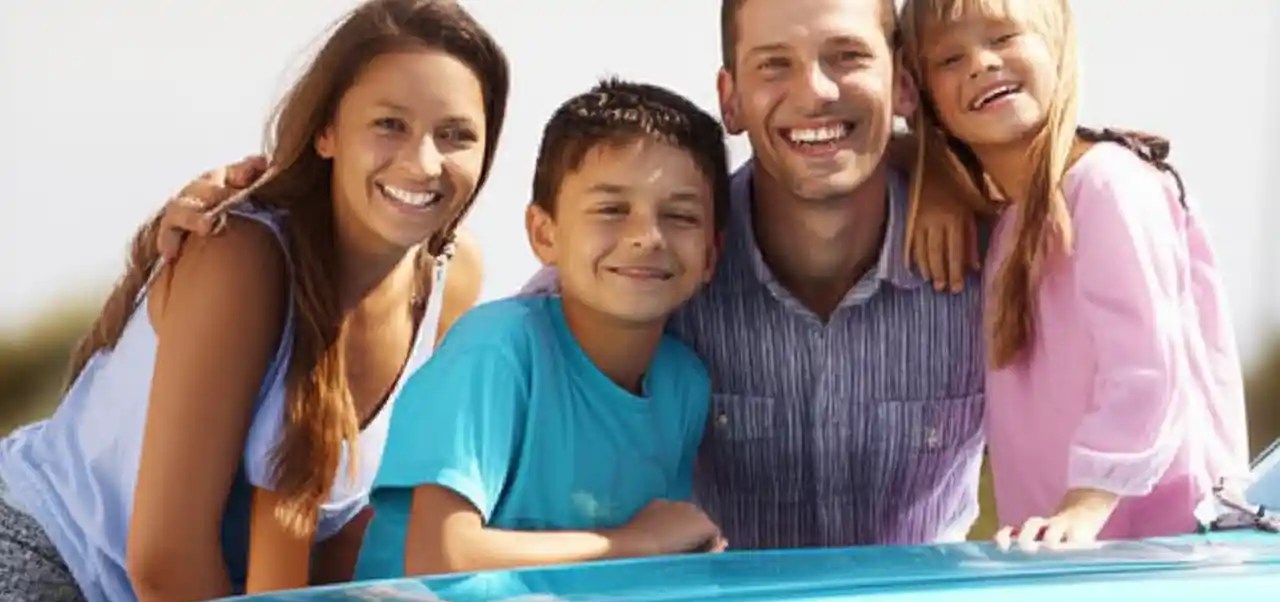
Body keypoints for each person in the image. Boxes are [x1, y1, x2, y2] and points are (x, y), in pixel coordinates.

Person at [148, 0, 986, 551]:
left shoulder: (996, 258)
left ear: (904, 82)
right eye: (774, 64)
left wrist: (950, 164)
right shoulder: (534, 330)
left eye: (847, 55)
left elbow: (1084, 183)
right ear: (730, 98)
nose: (814, 90)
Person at [0, 0, 508, 602]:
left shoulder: (453, 284)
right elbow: (166, 556)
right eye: (389, 124)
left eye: (456, 134)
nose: (423, 162)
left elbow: (337, 538)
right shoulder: (241, 257)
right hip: (40, 571)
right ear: (328, 131)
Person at [897, 0, 1251, 548]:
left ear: (1058, 47)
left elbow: (1145, 368)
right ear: (928, 102)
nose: (981, 64)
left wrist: (1087, 502)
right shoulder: (1011, 226)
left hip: (1167, 552)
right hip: (1067, 560)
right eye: (948, 59)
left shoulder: (1108, 184)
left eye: (1005, 37)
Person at [354, 78, 727, 580]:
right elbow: (441, 561)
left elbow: (660, 553)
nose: (646, 237)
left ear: (711, 255)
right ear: (543, 234)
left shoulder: (684, 385)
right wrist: (633, 543)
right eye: (611, 210)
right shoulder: (497, 352)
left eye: (680, 216)